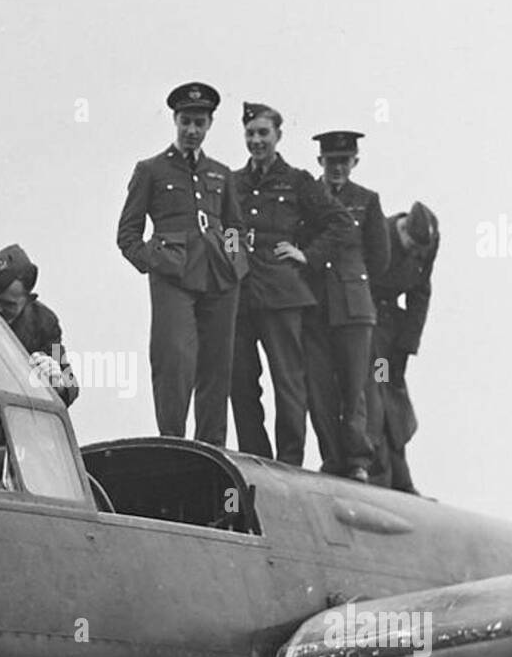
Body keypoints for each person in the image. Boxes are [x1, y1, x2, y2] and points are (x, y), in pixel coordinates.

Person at [116, 82, 248, 446]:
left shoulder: (222, 174)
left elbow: (235, 224)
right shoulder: (151, 170)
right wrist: (155, 261)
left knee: (217, 365)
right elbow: (127, 235)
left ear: (210, 125)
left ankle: (212, 447)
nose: (192, 130)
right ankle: (173, 442)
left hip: (220, 278)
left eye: (200, 123)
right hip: (173, 277)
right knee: (174, 360)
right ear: (174, 120)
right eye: (186, 121)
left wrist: (235, 261)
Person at [230, 103, 359, 466]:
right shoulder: (234, 182)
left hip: (283, 295)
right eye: (251, 133)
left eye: (263, 133)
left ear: (278, 136)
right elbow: (225, 229)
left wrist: (308, 255)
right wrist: (231, 253)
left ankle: (289, 459)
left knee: (288, 381)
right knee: (240, 382)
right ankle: (255, 456)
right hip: (240, 295)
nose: (256, 140)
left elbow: (341, 224)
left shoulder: (298, 181)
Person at [303, 131, 390, 481]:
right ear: (320, 162)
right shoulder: (309, 196)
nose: (337, 167)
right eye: (330, 160)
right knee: (319, 386)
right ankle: (332, 457)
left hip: (354, 307)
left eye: (344, 160)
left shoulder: (367, 201)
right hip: (316, 304)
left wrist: (354, 282)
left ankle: (358, 459)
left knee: (356, 386)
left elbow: (379, 258)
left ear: (354, 162)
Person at [367, 201, 439, 493]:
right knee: (377, 395)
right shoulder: (378, 234)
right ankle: (380, 472)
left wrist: (406, 346)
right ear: (403, 229)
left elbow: (421, 292)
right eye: (411, 247)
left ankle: (400, 473)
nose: (415, 255)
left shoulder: (427, 244)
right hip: (368, 324)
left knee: (393, 399)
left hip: (392, 333)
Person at [0, 244, 79, 407]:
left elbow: (70, 382)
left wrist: (59, 384)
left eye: (8, 304)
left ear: (28, 299)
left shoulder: (45, 324)